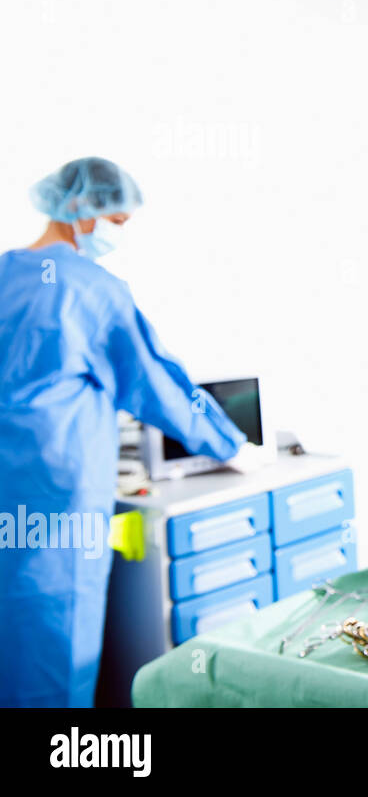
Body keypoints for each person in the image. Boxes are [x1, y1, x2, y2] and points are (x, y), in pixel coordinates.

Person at [0, 157, 246, 707]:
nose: (117, 234)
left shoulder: (5, 273)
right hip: (60, 503)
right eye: (119, 221)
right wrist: (230, 444)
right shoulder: (91, 289)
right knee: (56, 646)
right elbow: (155, 383)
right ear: (84, 211)